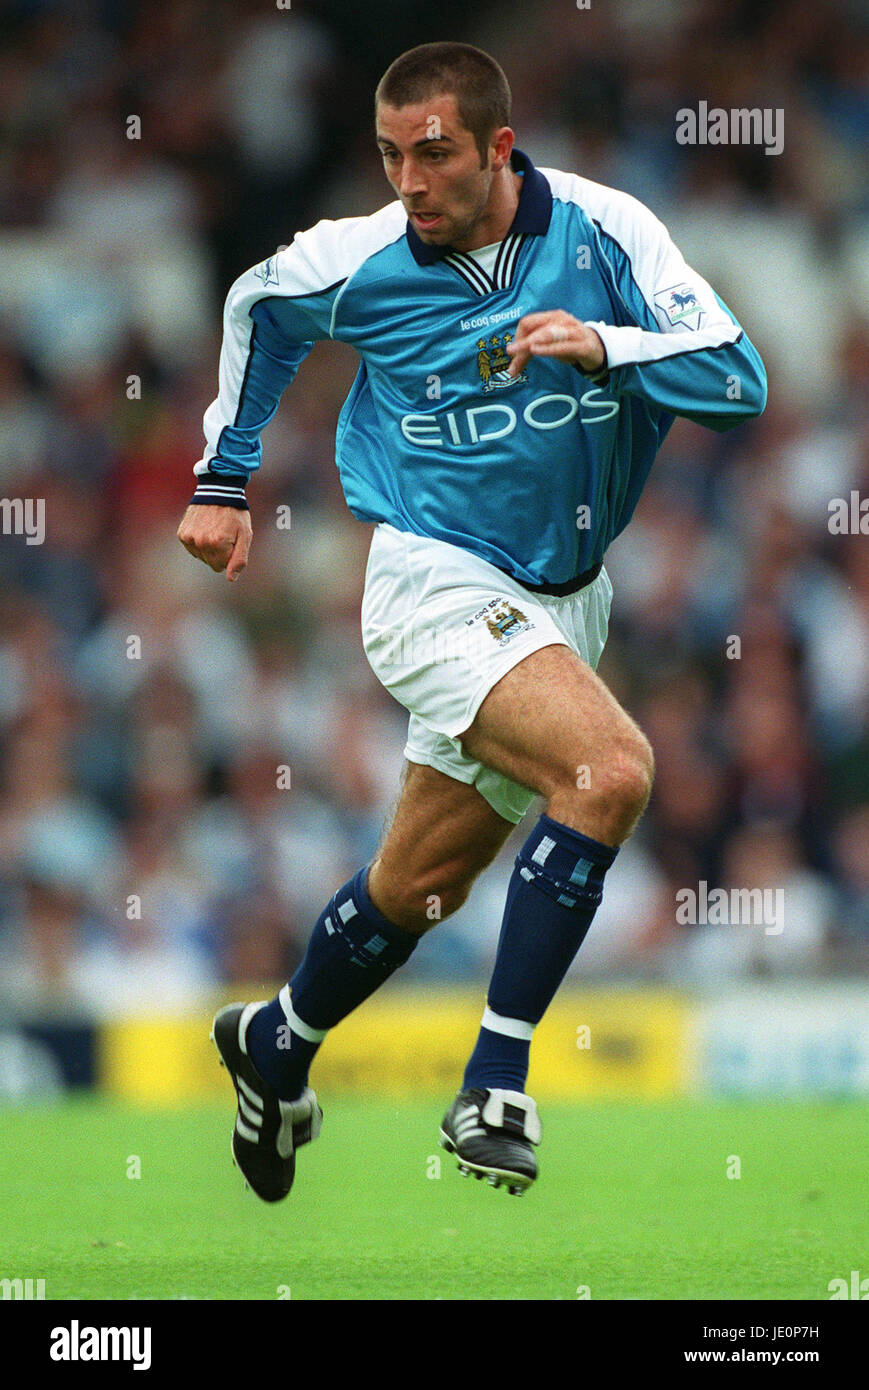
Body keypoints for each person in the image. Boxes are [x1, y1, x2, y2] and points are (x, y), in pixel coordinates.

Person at [178, 42, 767, 1201]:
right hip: (428, 580)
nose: (409, 179)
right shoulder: (356, 260)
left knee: (419, 884)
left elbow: (737, 378)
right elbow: (259, 305)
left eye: (434, 153)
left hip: (557, 599)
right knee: (607, 770)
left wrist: (609, 346)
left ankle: (278, 1039)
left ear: (498, 147)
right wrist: (219, 476)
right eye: (391, 154)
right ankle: (493, 1083)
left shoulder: (604, 233)